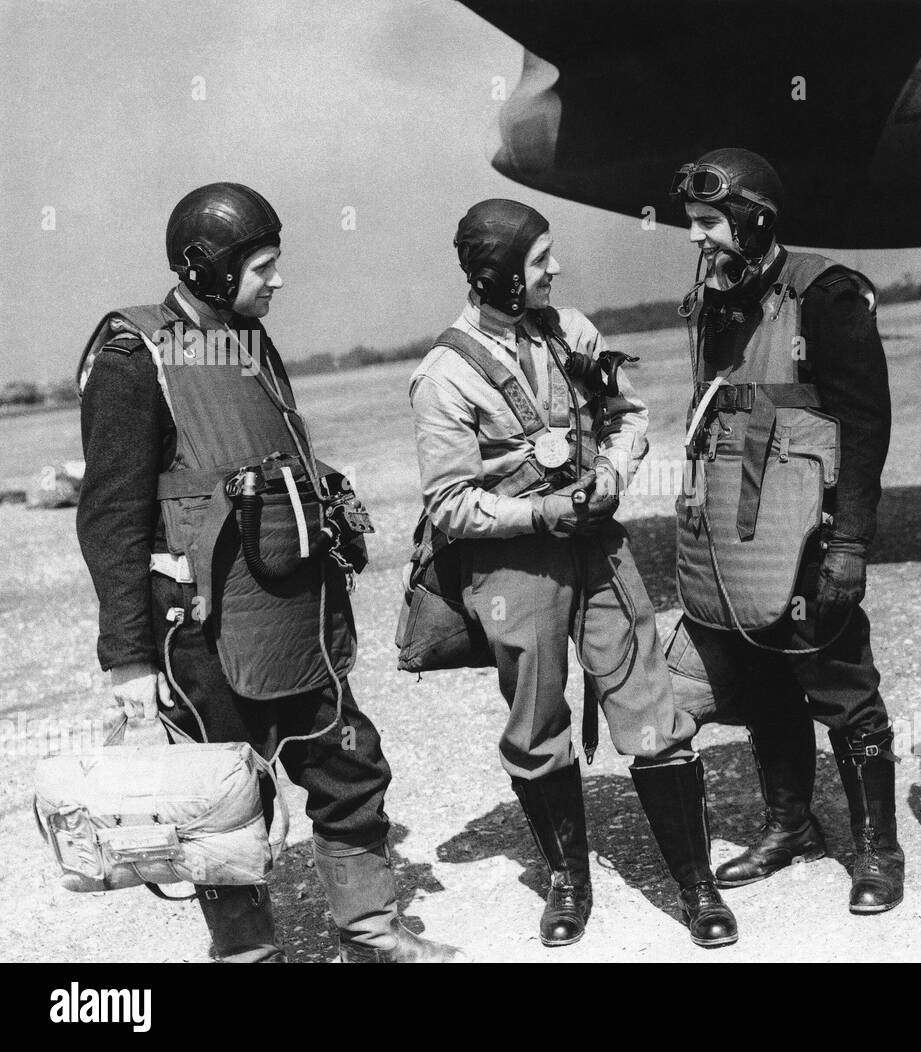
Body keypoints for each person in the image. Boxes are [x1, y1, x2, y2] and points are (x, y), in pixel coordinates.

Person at [76, 182, 464, 962]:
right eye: (262, 267)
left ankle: (372, 932)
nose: (277, 281)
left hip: (294, 614)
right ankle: (248, 954)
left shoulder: (247, 340)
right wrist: (127, 657)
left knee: (350, 763)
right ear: (209, 270)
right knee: (222, 805)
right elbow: (110, 517)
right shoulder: (133, 356)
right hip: (202, 629)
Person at [408, 198, 738, 948]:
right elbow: (450, 506)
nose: (555, 269)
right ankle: (567, 881)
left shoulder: (574, 332)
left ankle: (696, 882)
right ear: (500, 278)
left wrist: (615, 477)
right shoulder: (444, 378)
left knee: (651, 701)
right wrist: (538, 517)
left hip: (597, 545)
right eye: (539, 260)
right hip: (513, 567)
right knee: (537, 722)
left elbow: (627, 416)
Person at [664, 148, 902, 915]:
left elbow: (866, 425)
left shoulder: (827, 295)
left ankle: (877, 849)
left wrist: (850, 544)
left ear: (753, 219)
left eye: (708, 224)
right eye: (693, 224)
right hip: (731, 539)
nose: (698, 239)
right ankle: (790, 824)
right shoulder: (713, 301)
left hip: (808, 533)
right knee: (764, 685)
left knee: (839, 683)